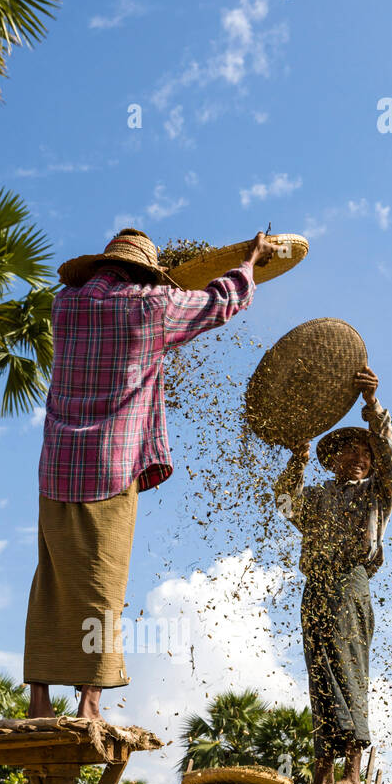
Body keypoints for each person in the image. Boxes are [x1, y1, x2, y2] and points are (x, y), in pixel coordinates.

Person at [25, 226, 284, 720]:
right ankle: (88, 702)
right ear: (145, 271)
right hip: (111, 464)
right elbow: (220, 301)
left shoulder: (66, 306)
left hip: (56, 465)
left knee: (52, 580)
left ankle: (39, 698)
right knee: (104, 582)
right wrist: (250, 259)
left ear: (102, 267)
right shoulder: (154, 306)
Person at [274, 367, 392, 784]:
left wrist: (372, 406)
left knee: (348, 667)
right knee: (320, 674)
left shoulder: (376, 494)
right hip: (317, 588)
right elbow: (285, 502)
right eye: (351, 451)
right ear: (334, 459)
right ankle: (323, 774)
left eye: (366, 454)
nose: (361, 458)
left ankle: (353, 771)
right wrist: (297, 460)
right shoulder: (318, 497)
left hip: (351, 582)